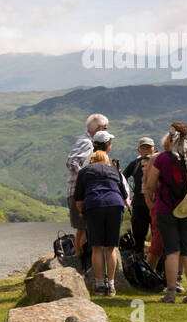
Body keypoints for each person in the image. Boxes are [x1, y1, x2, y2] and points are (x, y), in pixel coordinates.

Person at [145, 122, 187, 304]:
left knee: (172, 251)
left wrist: (155, 193)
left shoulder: (162, 159)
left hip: (166, 209)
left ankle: (171, 292)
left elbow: (150, 185)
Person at [74, 134, 128, 296]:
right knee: (111, 248)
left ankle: (99, 285)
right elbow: (125, 196)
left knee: (97, 247)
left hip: (94, 206)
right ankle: (111, 286)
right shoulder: (114, 170)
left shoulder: (84, 172)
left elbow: (78, 200)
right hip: (115, 205)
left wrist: (83, 214)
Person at [67, 113, 109, 262]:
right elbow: (71, 162)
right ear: (97, 129)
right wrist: (85, 177)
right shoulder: (87, 142)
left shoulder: (89, 141)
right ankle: (79, 261)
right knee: (83, 228)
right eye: (105, 128)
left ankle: (81, 260)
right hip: (80, 192)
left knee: (84, 228)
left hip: (83, 191)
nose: (106, 131)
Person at [122, 137, 156, 256]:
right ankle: (139, 262)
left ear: (154, 149)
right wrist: (126, 195)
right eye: (143, 148)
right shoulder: (135, 164)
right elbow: (122, 178)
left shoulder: (159, 162)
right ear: (138, 150)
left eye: (148, 147)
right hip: (139, 204)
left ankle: (160, 267)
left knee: (158, 236)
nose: (146, 150)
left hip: (156, 204)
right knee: (138, 236)